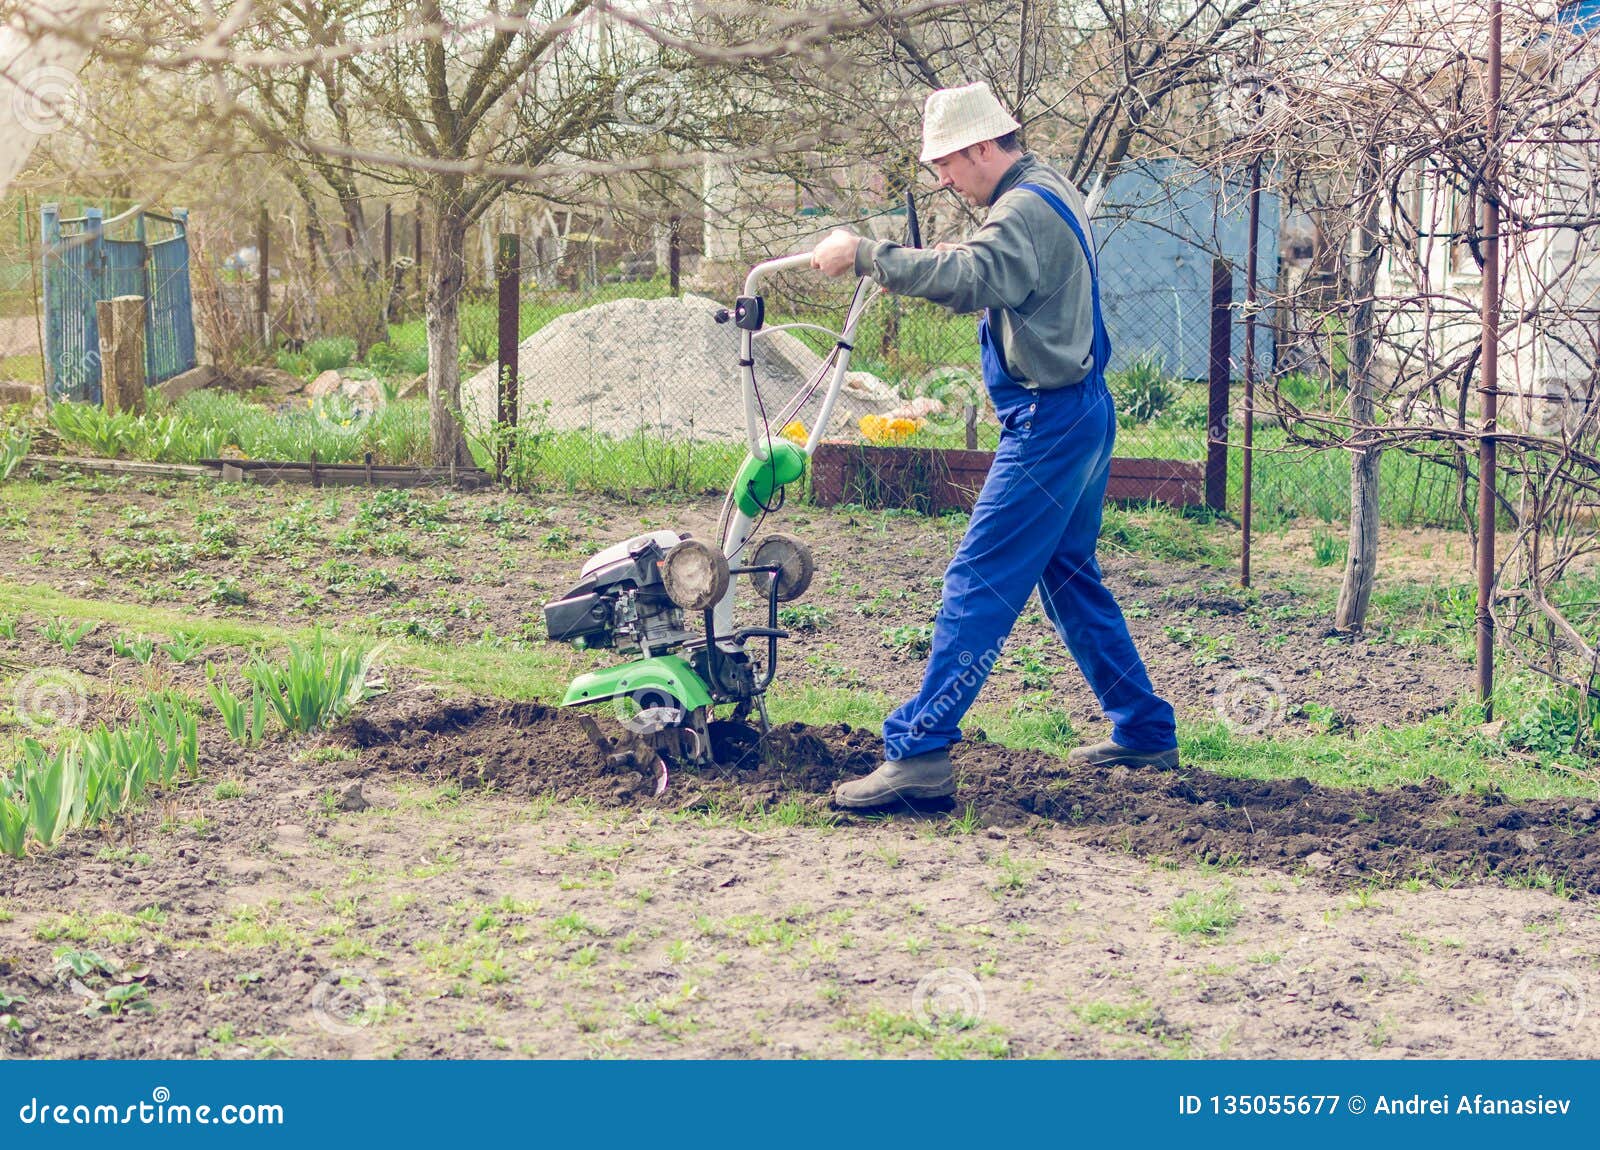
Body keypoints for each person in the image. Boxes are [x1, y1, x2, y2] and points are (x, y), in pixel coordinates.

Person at [810, 81, 1180, 810]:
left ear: (983, 147)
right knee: (1068, 574)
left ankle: (919, 753)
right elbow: (1004, 266)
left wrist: (866, 254)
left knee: (977, 581)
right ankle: (1142, 728)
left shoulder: (1020, 209)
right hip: (1083, 412)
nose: (943, 179)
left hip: (1047, 424)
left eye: (947, 163)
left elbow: (973, 275)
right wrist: (950, 253)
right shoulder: (1049, 187)